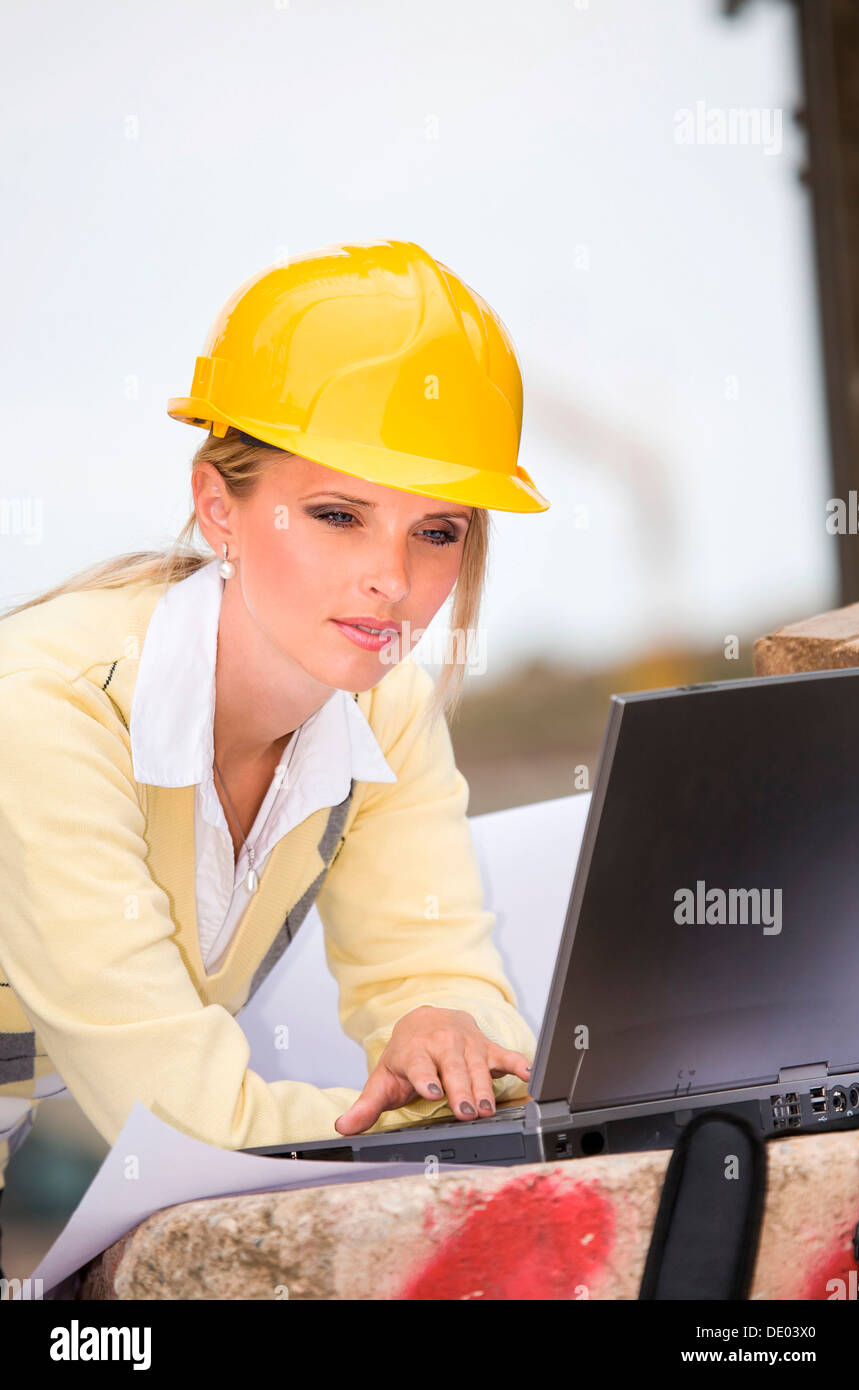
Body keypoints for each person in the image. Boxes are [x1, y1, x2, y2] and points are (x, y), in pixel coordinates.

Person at [0, 240, 550, 1245]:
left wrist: (443, 1036)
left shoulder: (385, 709)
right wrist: (420, 1126)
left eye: (436, 531)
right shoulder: (44, 706)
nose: (392, 579)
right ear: (220, 506)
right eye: (340, 515)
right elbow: (178, 1123)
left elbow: (441, 976)